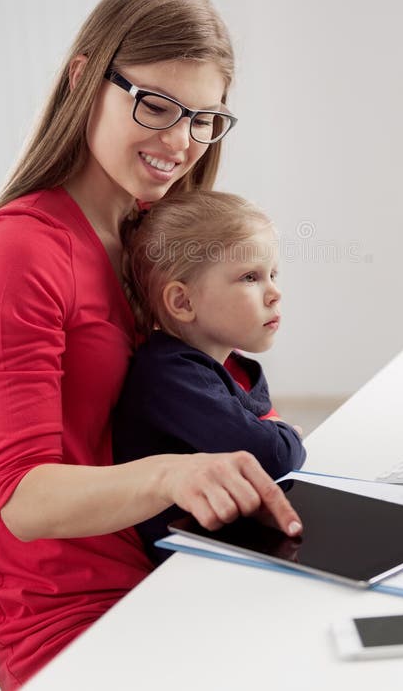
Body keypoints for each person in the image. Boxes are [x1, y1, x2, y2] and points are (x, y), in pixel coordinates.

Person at [0, 0, 302, 691]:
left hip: (169, 567)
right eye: (155, 105)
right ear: (85, 78)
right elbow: (22, 499)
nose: (179, 142)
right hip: (68, 615)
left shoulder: (148, 238)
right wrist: (176, 474)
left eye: (204, 117)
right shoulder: (22, 250)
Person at [113, 190, 307, 561]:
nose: (274, 293)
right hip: (188, 565)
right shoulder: (169, 375)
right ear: (183, 302)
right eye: (250, 277)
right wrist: (288, 434)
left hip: (228, 540)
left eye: (272, 274)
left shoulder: (220, 365)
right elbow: (272, 454)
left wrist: (276, 430)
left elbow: (262, 422)